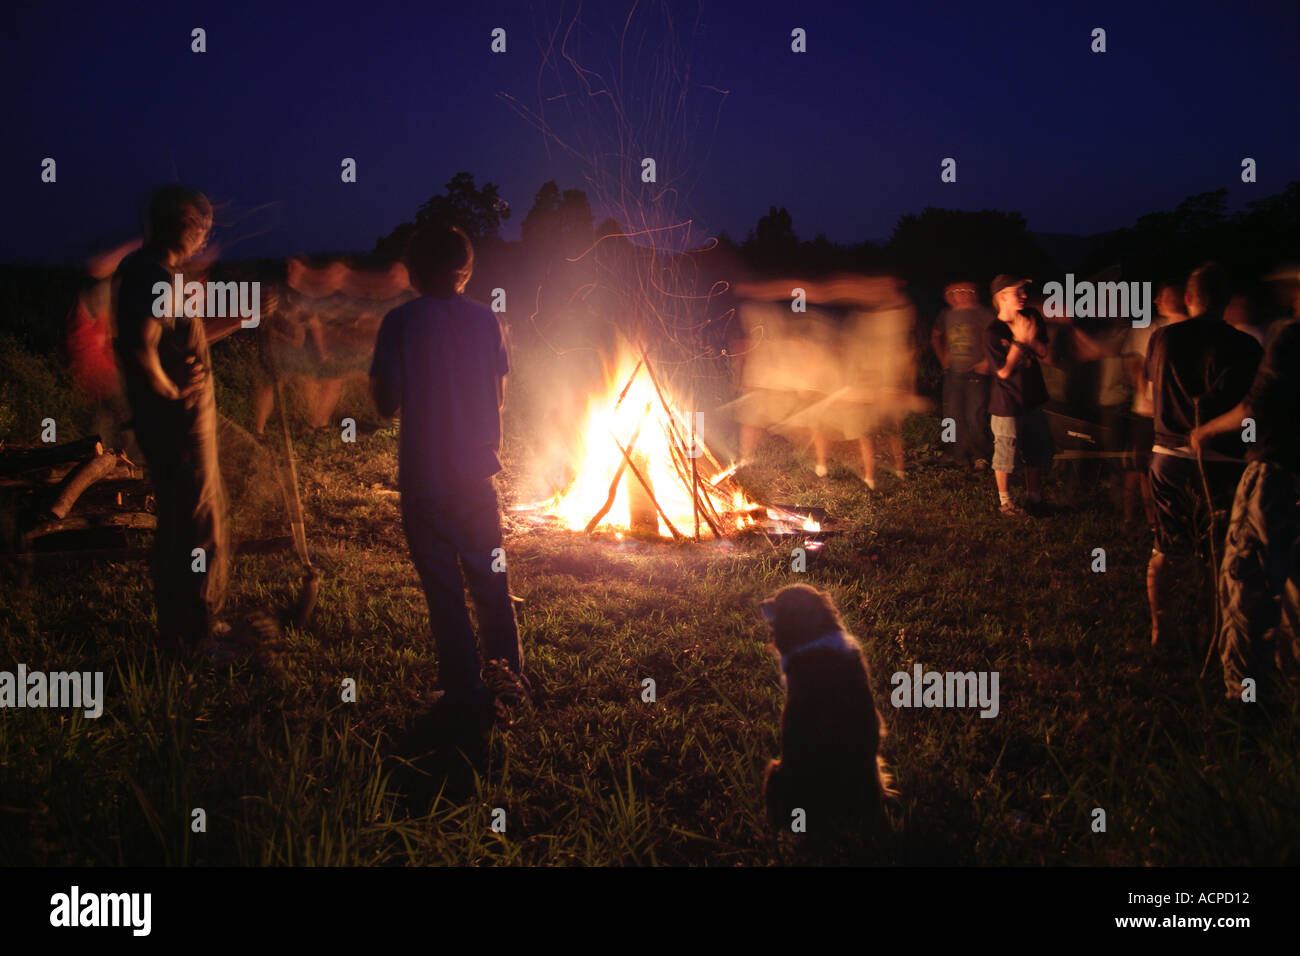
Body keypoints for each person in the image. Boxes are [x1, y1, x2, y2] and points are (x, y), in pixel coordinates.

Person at [369, 223, 528, 729]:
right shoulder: (487, 322)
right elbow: (499, 395)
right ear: (466, 271)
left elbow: (385, 404)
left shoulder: (400, 322)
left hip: (424, 476)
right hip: (477, 475)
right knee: (491, 579)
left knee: (442, 587)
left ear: (413, 272)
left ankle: (462, 686)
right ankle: (508, 677)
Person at [111, 186, 243, 655]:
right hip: (177, 426)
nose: (204, 238)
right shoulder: (155, 277)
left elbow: (176, 341)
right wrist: (170, 391)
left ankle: (186, 627)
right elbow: (138, 348)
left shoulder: (151, 273)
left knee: (182, 521)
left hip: (176, 423)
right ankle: (196, 634)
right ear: (181, 223)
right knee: (195, 524)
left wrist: (239, 322)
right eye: (202, 228)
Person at [1190, 268, 1300, 698]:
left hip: (1276, 474)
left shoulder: (1289, 338)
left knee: (1248, 578)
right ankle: (1292, 689)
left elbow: (1254, 411)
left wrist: (1206, 431)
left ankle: (1244, 694)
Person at [1144, 262, 1262, 648]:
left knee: (1166, 548)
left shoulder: (1162, 339)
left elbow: (1150, 393)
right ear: (1226, 302)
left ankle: (1161, 631)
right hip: (1226, 463)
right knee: (1218, 555)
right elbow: (1250, 407)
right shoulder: (1247, 346)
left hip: (1168, 457)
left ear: (1189, 298)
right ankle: (1214, 632)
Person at [1120, 281, 1186, 530]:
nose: (1157, 301)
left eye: (1163, 295)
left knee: (1167, 466)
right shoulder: (1147, 328)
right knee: (1137, 466)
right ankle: (1132, 519)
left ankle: (1163, 520)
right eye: (1157, 296)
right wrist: (1144, 395)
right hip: (1147, 412)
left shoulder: (1189, 329)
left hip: (1174, 413)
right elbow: (1134, 364)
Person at [985, 275, 1054, 516]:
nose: (1024, 295)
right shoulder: (993, 331)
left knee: (1037, 450)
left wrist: (1030, 340)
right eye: (1018, 291)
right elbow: (1003, 371)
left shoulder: (1032, 318)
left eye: (1025, 290)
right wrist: (1018, 342)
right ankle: (1005, 502)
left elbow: (1044, 351)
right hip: (1007, 403)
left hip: (1033, 398)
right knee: (1006, 453)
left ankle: (1034, 497)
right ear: (1002, 296)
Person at [932, 281, 994, 470]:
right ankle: (952, 452)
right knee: (950, 415)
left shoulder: (982, 313)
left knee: (975, 415)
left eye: (966, 291)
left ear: (974, 293)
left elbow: (996, 336)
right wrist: (943, 358)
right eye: (956, 292)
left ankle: (980, 455)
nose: (961, 294)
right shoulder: (947, 315)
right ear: (949, 295)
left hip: (976, 372)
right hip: (953, 373)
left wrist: (986, 362)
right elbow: (935, 335)